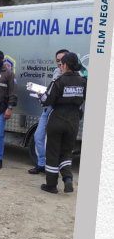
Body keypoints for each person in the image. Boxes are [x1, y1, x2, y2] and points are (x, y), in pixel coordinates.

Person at [38, 51, 86, 193]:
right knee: (66, 152)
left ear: (64, 65)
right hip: (73, 120)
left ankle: (51, 185)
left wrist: (41, 96)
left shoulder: (59, 81)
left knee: (53, 151)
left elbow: (46, 100)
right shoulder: (83, 82)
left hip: (57, 119)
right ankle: (68, 178)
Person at [29, 49, 69, 175]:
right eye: (57, 60)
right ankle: (41, 164)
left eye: (62, 60)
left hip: (59, 112)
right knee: (38, 136)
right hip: (47, 109)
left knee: (54, 142)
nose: (59, 63)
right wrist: (42, 96)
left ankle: (53, 169)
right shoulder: (56, 72)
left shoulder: (74, 75)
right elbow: (52, 91)